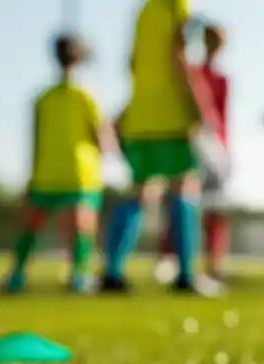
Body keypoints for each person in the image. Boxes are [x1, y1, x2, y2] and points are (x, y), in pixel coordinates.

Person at [102, 0, 219, 295]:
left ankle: (112, 273)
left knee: (139, 192)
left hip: (139, 118)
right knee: (184, 188)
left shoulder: (144, 11)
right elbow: (180, 55)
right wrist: (198, 107)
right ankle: (186, 275)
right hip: (170, 117)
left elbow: (131, 63)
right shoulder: (176, 6)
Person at [4, 34, 107, 294]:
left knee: (30, 226)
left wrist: (31, 176)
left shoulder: (43, 99)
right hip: (78, 174)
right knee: (81, 227)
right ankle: (79, 277)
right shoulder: (85, 96)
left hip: (45, 173)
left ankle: (17, 275)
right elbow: (101, 137)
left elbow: (35, 140)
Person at [157, 24, 231, 282]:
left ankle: (214, 262)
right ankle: (171, 258)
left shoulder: (223, 79)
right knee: (181, 200)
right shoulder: (194, 73)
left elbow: (223, 117)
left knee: (215, 209)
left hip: (216, 147)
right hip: (192, 142)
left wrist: (224, 147)